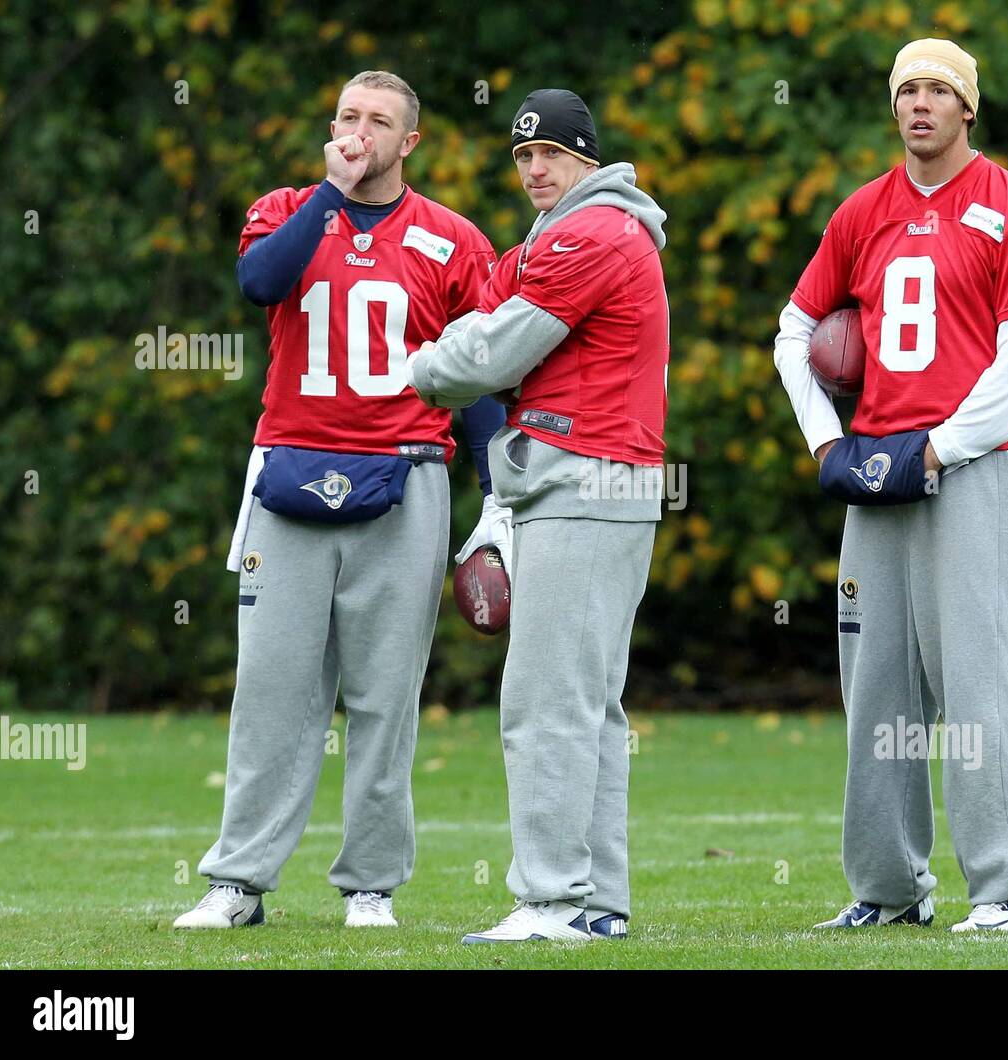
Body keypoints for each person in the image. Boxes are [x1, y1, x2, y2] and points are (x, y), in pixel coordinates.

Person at [174, 70, 509, 930]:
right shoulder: (286, 208)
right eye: (348, 117)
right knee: (271, 689)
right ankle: (239, 881)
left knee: (384, 696)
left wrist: (497, 499)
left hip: (405, 473)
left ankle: (371, 883)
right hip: (291, 470)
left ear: (410, 142)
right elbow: (260, 282)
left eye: (379, 121)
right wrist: (330, 193)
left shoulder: (453, 240)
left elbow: (479, 381)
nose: (360, 132)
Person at [773, 39, 1008, 932]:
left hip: (974, 471)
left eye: (939, 90)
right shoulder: (862, 212)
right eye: (908, 90)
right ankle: (888, 888)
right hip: (876, 475)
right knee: (875, 688)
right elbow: (794, 332)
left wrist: (940, 448)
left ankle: (1007, 888)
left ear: (967, 107)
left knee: (978, 681)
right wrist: (827, 441)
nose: (921, 104)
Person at [406, 88, 669, 943]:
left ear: (587, 157)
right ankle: (595, 904)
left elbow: (490, 350)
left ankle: (553, 899)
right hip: (592, 481)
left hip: (588, 479)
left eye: (551, 152)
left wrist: (421, 367)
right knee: (587, 703)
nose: (534, 168)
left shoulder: (592, 232)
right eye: (523, 155)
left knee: (547, 699)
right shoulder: (564, 234)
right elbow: (489, 314)